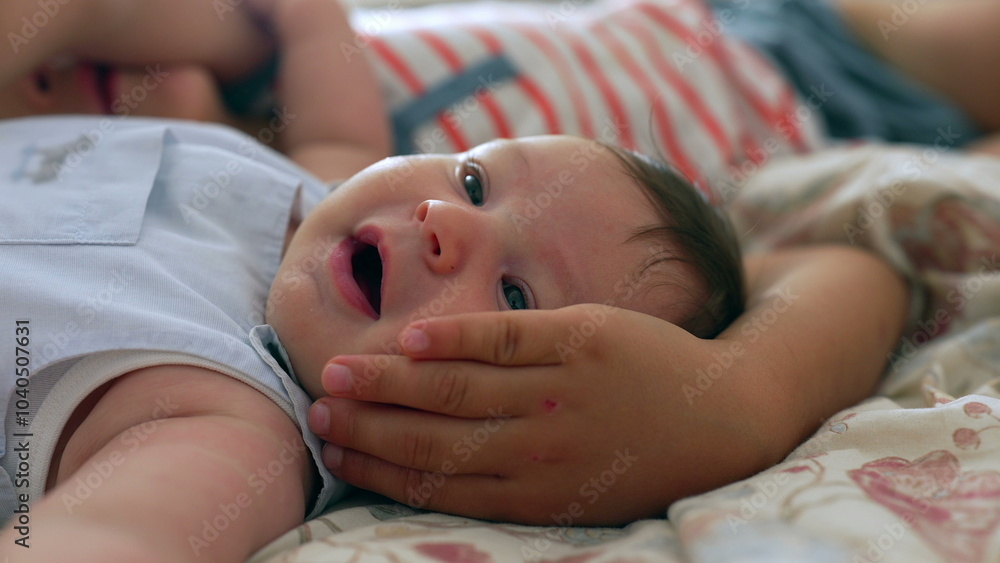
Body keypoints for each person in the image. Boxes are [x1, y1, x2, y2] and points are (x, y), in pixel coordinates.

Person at [0, 0, 909, 559]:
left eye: (516, 296)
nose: (447, 224)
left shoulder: (228, 423)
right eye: (472, 179)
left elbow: (117, 538)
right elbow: (313, 24)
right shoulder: (320, 178)